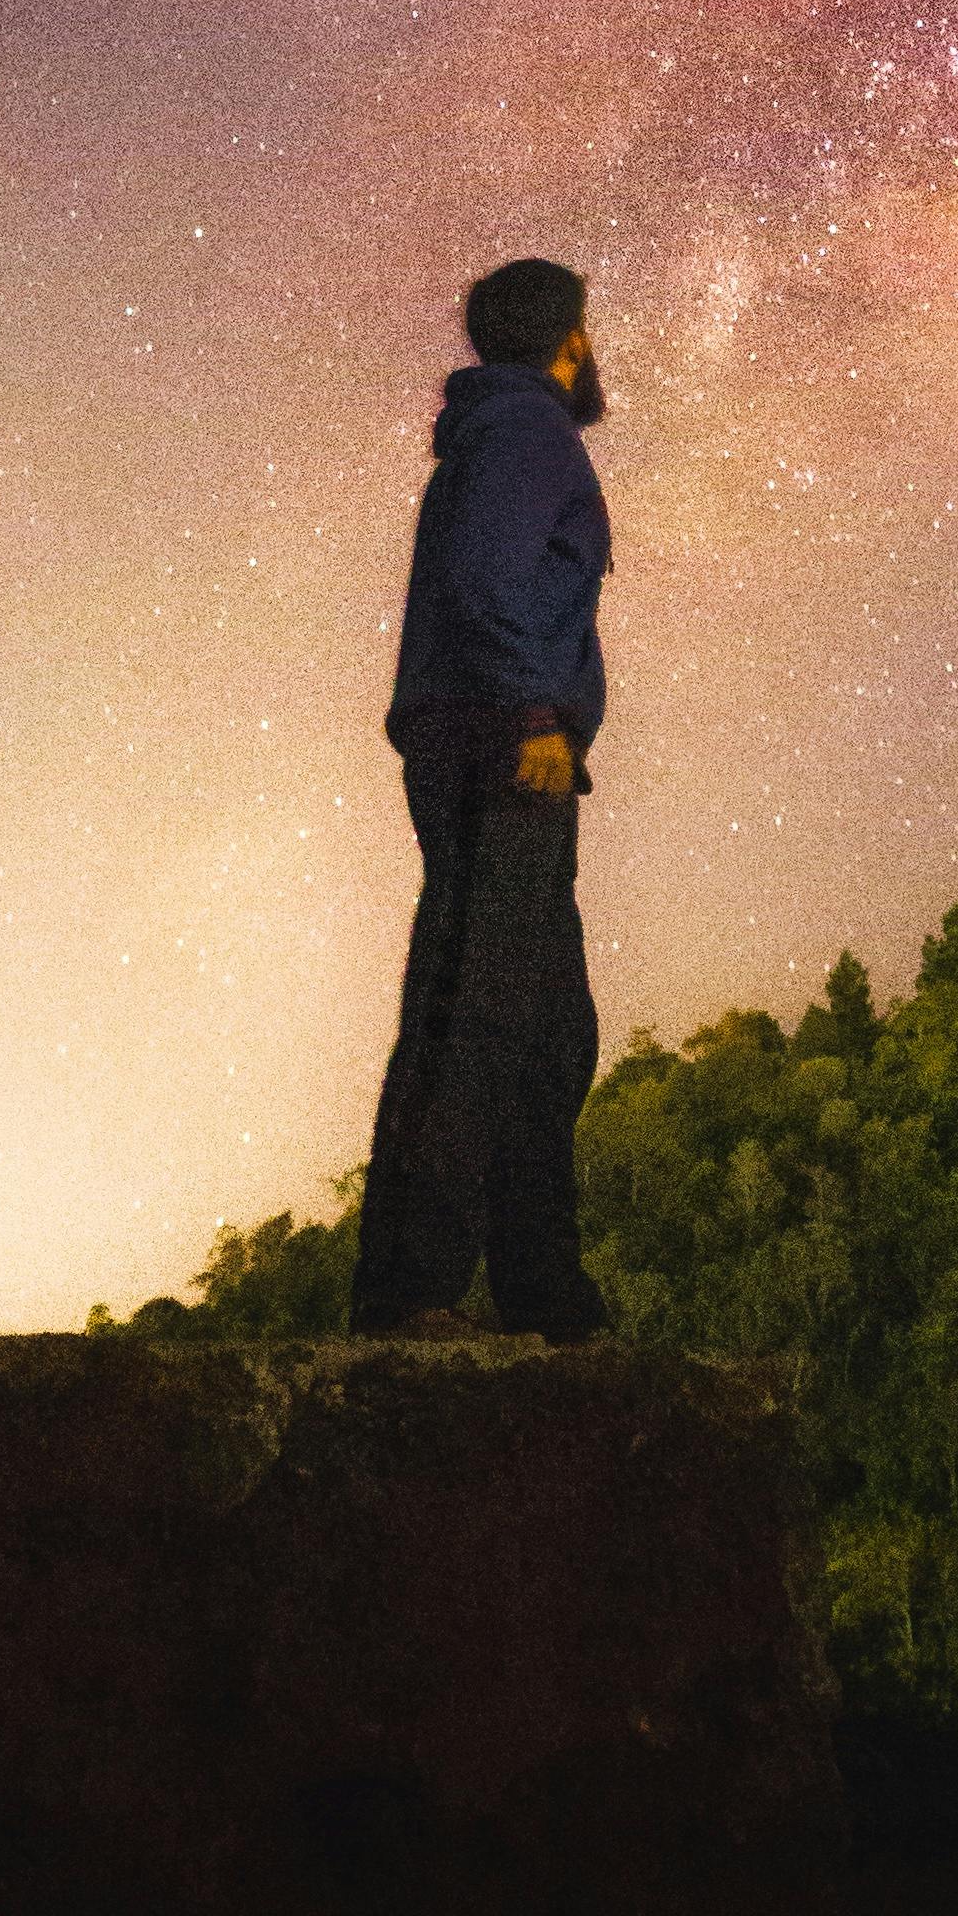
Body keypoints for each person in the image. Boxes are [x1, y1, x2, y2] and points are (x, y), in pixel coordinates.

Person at [349, 256, 613, 1341]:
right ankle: (408, 1290)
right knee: (475, 1004)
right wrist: (530, 715)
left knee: (547, 1031)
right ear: (569, 340)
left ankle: (544, 1295)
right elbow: (484, 572)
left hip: (506, 740)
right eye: (590, 332)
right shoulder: (528, 431)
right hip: (501, 744)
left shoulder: (501, 433)